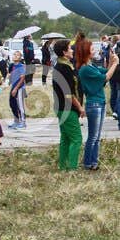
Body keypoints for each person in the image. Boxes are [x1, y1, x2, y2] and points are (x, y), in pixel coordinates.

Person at [76, 38, 115, 169]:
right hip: (94, 104)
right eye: (92, 49)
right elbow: (106, 77)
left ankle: (94, 162)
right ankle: (88, 162)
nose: (95, 51)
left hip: (100, 102)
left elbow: (104, 71)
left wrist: (111, 60)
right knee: (93, 136)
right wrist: (116, 64)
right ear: (86, 52)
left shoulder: (91, 66)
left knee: (97, 137)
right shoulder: (85, 69)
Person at [52, 39, 82, 171]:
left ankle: (62, 166)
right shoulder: (64, 68)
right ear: (64, 52)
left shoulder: (62, 65)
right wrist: (80, 108)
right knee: (76, 139)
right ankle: (72, 168)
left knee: (65, 138)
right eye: (70, 48)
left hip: (61, 108)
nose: (72, 50)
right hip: (67, 108)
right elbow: (68, 94)